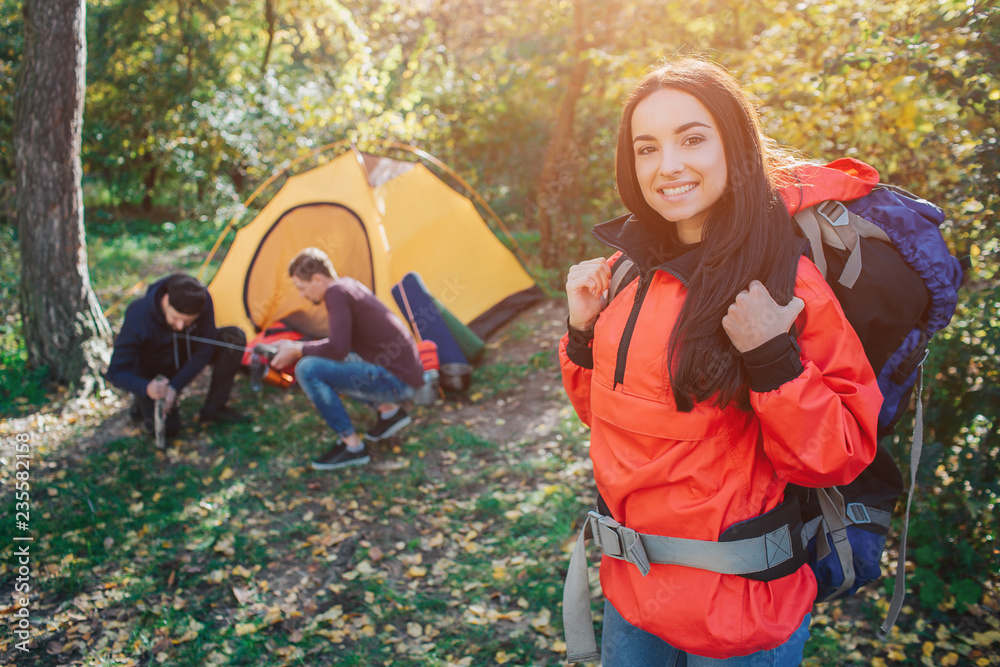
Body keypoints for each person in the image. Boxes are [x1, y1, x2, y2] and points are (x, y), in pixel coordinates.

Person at [560, 58, 882, 665]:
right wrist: (582, 335)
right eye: (647, 148)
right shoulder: (625, 274)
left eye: (692, 139)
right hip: (633, 592)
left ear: (734, 146)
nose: (668, 165)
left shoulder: (786, 286)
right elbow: (605, 418)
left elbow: (839, 455)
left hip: (742, 614)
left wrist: (773, 360)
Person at [270, 247, 424, 471]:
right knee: (325, 361)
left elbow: (337, 349)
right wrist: (298, 347)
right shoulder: (348, 285)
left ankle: (352, 447)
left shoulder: (335, 293)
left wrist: (297, 350)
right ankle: (389, 412)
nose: (302, 295)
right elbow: (341, 344)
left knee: (308, 368)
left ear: (317, 279)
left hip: (399, 382)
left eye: (301, 288)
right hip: (406, 374)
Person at [106, 274, 248, 441]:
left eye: (187, 322)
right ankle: (141, 403)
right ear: (166, 300)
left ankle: (215, 409)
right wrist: (146, 388)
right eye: (175, 318)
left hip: (184, 357)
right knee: (168, 430)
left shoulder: (202, 299)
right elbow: (115, 372)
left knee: (234, 337)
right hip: (153, 374)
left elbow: (206, 349)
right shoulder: (138, 314)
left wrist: (175, 386)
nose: (180, 326)